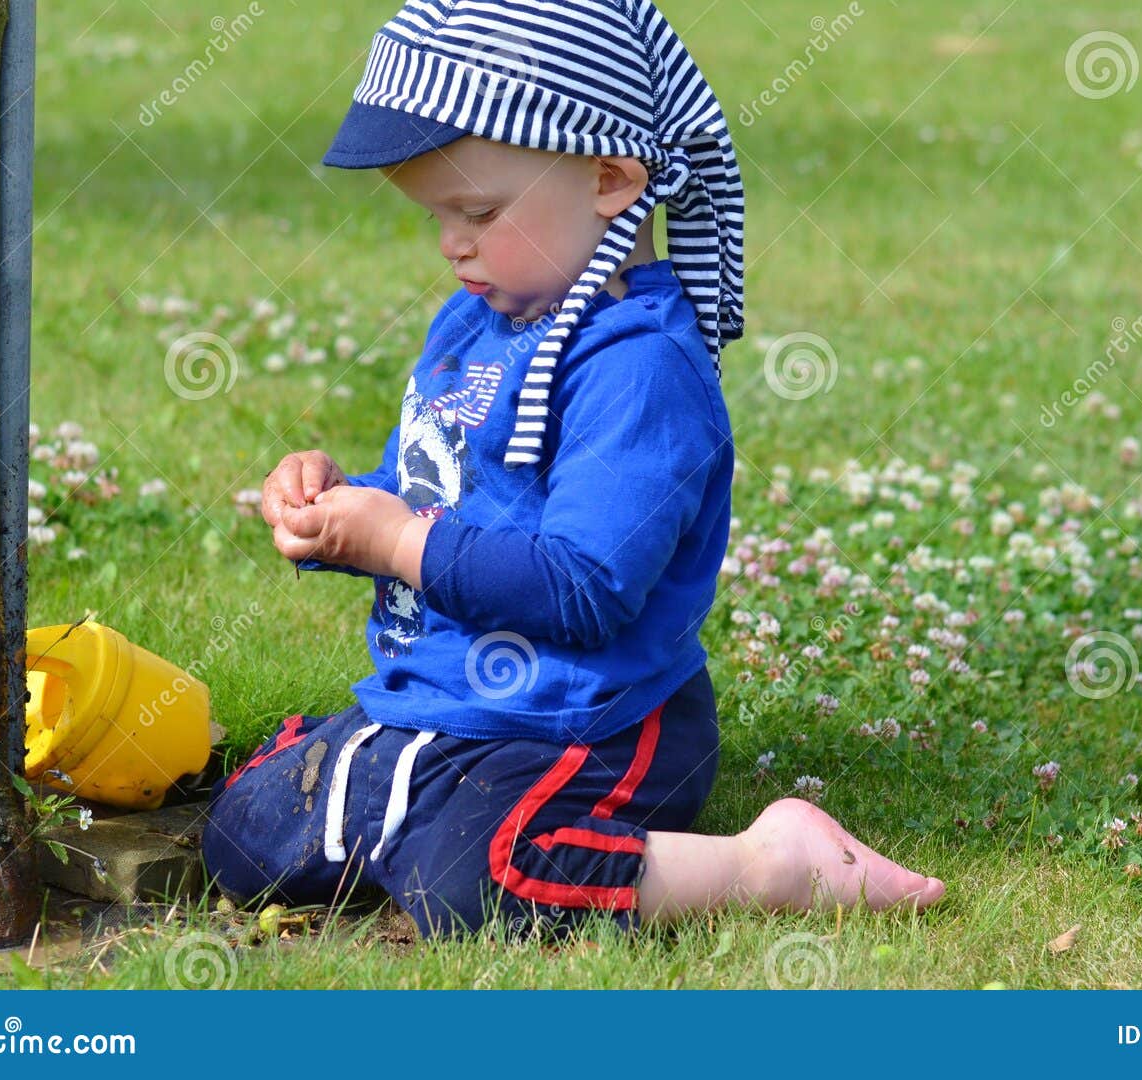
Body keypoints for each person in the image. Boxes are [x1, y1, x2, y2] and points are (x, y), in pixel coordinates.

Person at [201, 0, 945, 939]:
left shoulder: (639, 368)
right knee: (244, 838)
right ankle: (403, 809)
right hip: (447, 697)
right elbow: (414, 497)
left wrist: (395, 541)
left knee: (473, 886)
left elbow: (586, 587)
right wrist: (331, 505)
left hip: (589, 724)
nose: (451, 243)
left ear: (608, 178)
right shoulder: (474, 323)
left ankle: (770, 863)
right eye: (435, 215)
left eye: (476, 211)